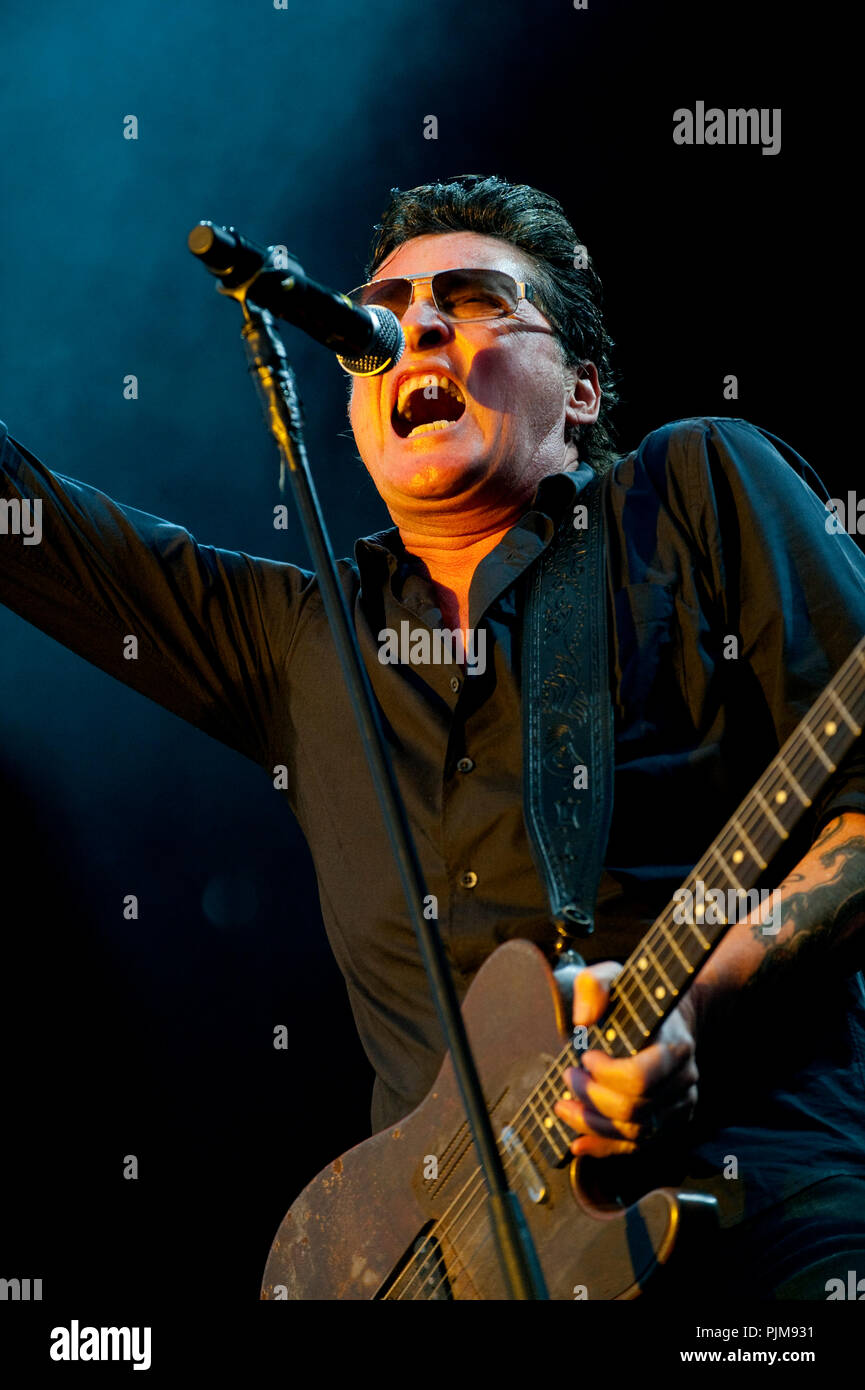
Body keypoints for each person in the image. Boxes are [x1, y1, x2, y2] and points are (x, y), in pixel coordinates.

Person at [2, 174, 865, 1300]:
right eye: (390, 306)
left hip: (759, 1214)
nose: (413, 326)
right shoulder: (304, 638)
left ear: (583, 390)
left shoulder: (693, 489)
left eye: (469, 301)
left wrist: (694, 1010)